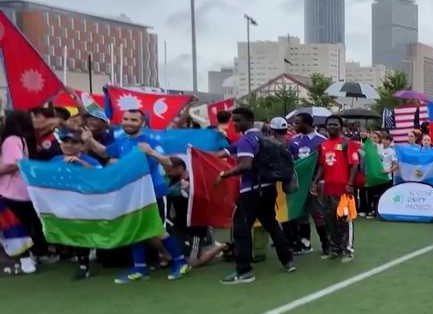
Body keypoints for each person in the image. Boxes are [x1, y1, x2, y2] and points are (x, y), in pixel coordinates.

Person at [88, 109, 191, 283]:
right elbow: (105, 152)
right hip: (132, 193)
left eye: (134, 120)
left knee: (158, 231)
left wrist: (151, 152)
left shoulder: (150, 141)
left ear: (142, 123)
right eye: (126, 119)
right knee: (135, 229)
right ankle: (140, 268)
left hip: (153, 191)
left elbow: (168, 162)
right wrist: (89, 140)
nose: (128, 122)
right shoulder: (121, 142)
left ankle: (181, 262)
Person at [215, 110, 295, 284]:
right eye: (233, 120)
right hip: (268, 188)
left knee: (241, 230)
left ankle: (244, 271)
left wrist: (223, 174)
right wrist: (212, 155)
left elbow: (245, 165)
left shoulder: (246, 140)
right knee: (271, 224)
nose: (234, 124)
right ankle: (288, 260)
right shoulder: (261, 137)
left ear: (249, 121)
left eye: (238, 120)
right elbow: (230, 150)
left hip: (251, 191)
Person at [51, 128, 101, 278]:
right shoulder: (55, 160)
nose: (69, 145)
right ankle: (80, 257)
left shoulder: (89, 160)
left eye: (74, 142)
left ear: (81, 146)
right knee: (72, 233)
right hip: (62, 205)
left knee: (81, 232)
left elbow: (102, 176)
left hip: (85, 204)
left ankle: (84, 264)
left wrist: (81, 163)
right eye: (66, 141)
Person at [0, 110, 44, 272]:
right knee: (23, 227)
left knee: (15, 229)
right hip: (21, 192)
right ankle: (27, 258)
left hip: (10, 192)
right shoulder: (23, 139)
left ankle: (24, 260)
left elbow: (12, 163)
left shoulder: (11, 140)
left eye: (5, 119)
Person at [312, 116, 360, 262]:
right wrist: (315, 181)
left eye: (335, 124)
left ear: (340, 126)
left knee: (344, 219)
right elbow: (321, 165)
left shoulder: (347, 143)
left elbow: (354, 165)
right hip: (327, 188)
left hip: (343, 188)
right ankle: (335, 248)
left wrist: (350, 184)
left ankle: (347, 249)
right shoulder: (324, 145)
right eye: (329, 124)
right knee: (330, 219)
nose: (332, 127)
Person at [285, 112, 329, 255]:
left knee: (318, 214)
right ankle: (305, 244)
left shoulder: (322, 140)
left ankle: (326, 245)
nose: (294, 125)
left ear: (307, 124)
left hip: (314, 184)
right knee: (300, 215)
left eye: (297, 123)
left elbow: (324, 164)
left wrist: (316, 182)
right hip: (298, 185)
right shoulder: (293, 141)